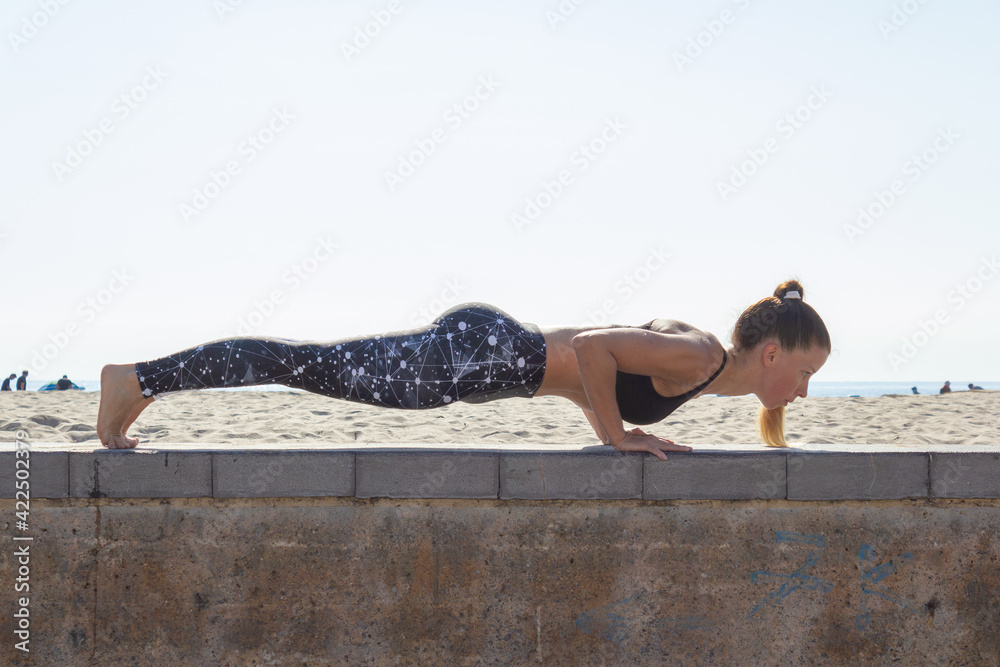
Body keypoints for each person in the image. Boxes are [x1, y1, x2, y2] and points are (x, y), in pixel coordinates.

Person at [96, 280, 831, 453]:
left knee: (304, 365)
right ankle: (135, 380)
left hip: (487, 358)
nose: (802, 389)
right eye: (804, 372)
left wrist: (612, 423)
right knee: (301, 363)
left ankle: (140, 385)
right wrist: (617, 436)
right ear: (773, 352)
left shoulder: (699, 363)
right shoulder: (700, 355)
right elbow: (592, 349)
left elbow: (583, 372)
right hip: (482, 353)